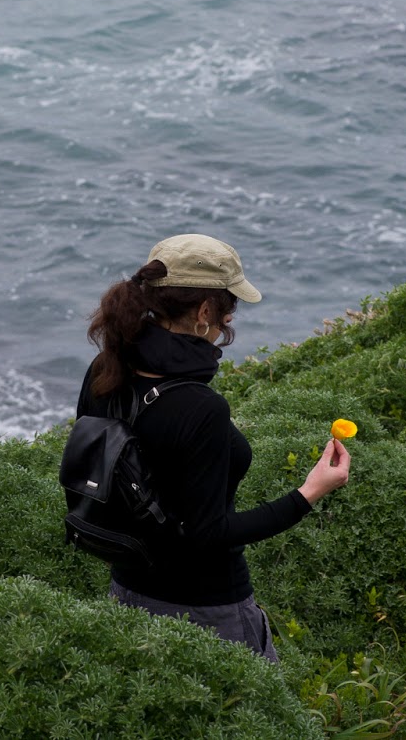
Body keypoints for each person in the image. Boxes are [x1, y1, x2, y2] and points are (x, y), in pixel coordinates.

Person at [77, 233, 351, 660]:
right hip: (207, 611)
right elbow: (208, 536)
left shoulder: (106, 367)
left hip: (127, 593)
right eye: (229, 308)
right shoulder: (199, 405)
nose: (229, 321)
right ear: (205, 311)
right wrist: (310, 491)